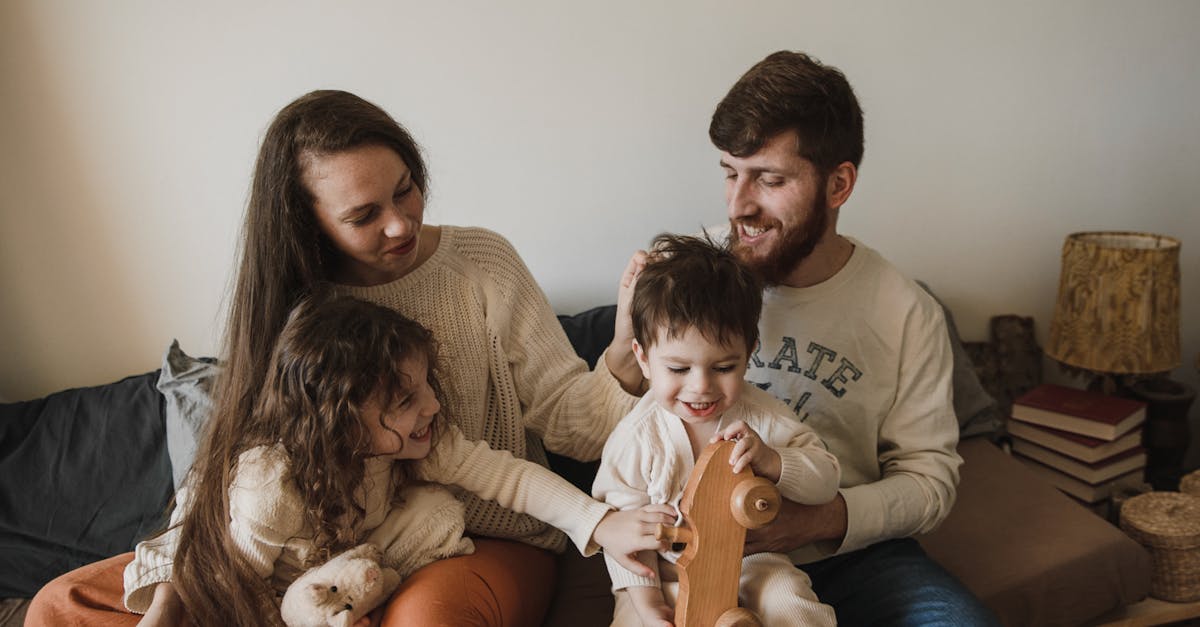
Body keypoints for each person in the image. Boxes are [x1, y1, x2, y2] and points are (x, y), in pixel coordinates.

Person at [27, 89, 674, 626]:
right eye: (365, 214)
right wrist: (176, 590)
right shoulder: (295, 311)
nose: (401, 223)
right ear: (309, 224)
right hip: (317, 548)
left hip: (480, 535)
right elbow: (230, 472)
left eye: (407, 188)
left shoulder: (482, 265)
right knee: (62, 604)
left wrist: (623, 348)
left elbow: (570, 424)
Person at [130, 291, 665, 626]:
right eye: (405, 401)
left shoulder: (419, 444)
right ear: (338, 422)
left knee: (439, 512)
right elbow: (233, 583)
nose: (432, 405)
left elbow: (510, 477)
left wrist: (601, 523)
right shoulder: (270, 482)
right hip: (273, 588)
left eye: (426, 385)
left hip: (353, 561)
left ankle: (361, 598)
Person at [699, 50, 1001, 625]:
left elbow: (929, 481)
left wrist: (817, 520)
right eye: (730, 173)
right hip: (710, 547)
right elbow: (617, 415)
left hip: (851, 552)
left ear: (838, 184)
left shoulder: (906, 312)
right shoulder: (696, 275)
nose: (739, 205)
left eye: (769, 178)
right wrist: (621, 346)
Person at [592, 234, 840, 627]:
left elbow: (825, 482)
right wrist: (646, 603)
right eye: (678, 369)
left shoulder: (766, 419)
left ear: (749, 352)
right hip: (663, 575)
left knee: (791, 602)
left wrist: (774, 462)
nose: (701, 387)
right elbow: (622, 538)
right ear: (643, 358)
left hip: (752, 564)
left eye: (723, 368)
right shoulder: (637, 437)